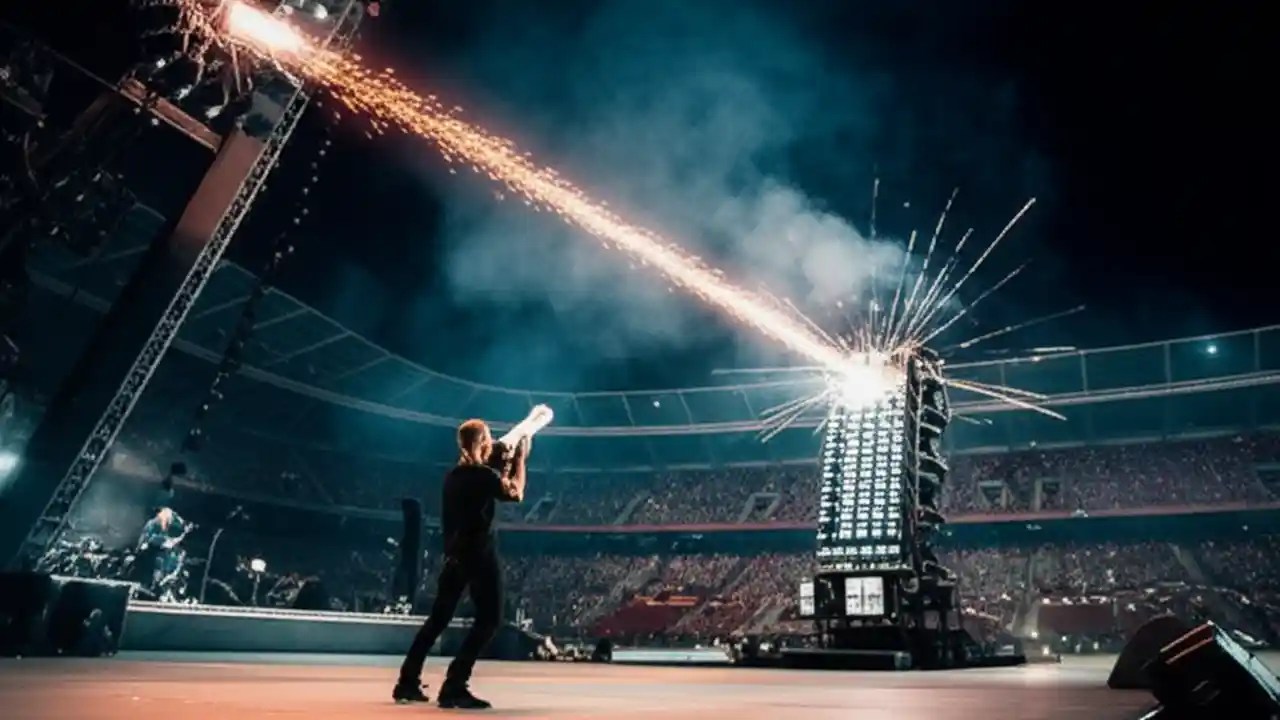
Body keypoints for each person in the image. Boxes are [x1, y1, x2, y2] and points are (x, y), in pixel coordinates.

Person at [393, 418, 529, 709]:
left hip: (454, 555)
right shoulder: (482, 476)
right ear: (482, 443)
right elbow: (515, 492)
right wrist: (520, 459)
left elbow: (489, 479)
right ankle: (455, 683)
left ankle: (407, 680)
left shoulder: (454, 476)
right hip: (480, 554)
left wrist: (501, 465)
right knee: (490, 619)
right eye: (488, 439)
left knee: (438, 619)